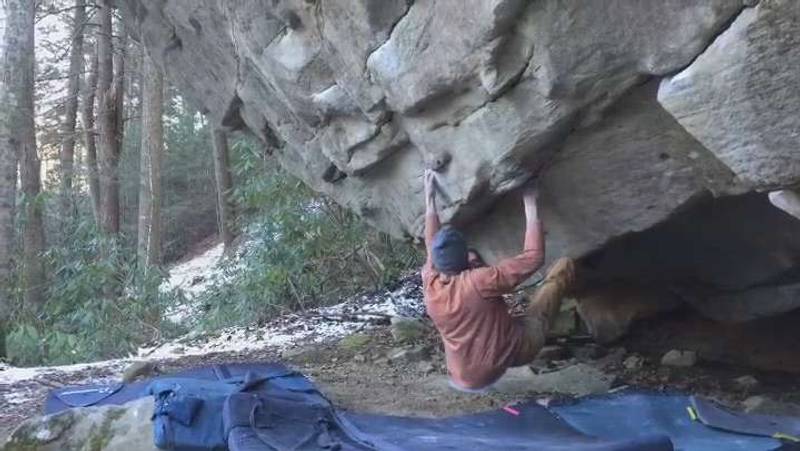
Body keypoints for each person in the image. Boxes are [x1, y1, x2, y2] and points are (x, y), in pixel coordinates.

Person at [422, 169, 576, 392]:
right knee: (564, 268)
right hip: (512, 354)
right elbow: (533, 257)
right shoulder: (479, 281)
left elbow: (431, 245)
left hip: (460, 375)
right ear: (463, 258)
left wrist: (430, 199)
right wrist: (530, 202)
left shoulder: (430, 282)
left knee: (489, 318)